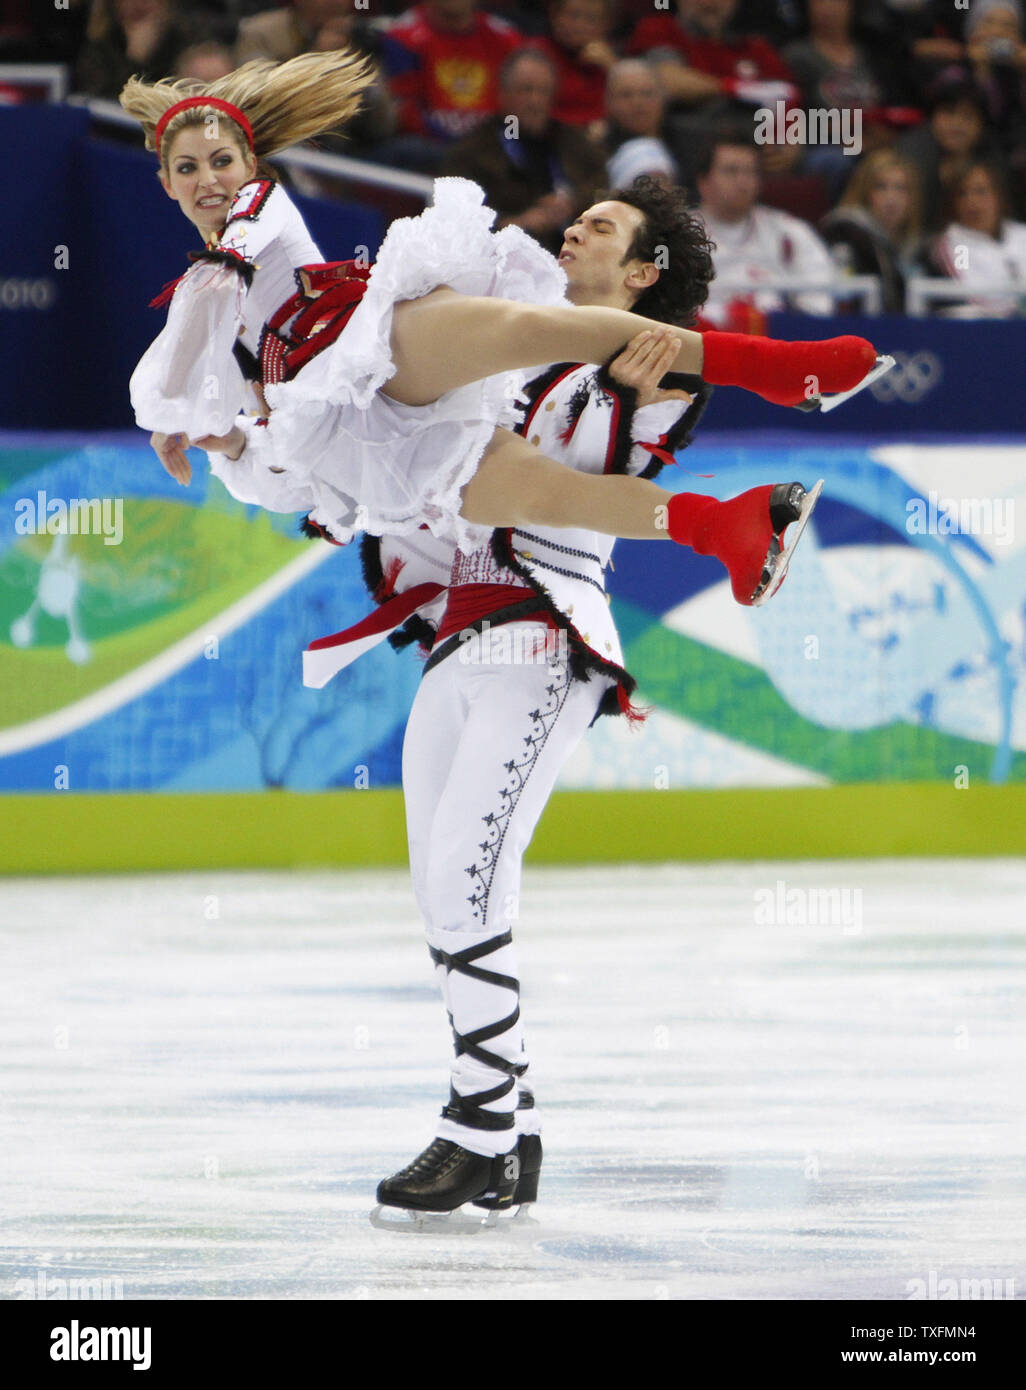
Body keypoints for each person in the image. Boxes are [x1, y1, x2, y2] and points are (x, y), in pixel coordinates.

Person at [122, 51, 878, 626]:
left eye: (221, 161)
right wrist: (219, 440)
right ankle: (724, 527)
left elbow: (209, 302)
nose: (208, 180)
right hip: (355, 437)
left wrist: (170, 414)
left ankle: (777, 368)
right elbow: (275, 466)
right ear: (163, 183)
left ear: (251, 164)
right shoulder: (209, 318)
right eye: (186, 168)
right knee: (550, 496)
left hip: (374, 344)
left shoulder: (257, 217)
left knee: (529, 328)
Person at [365, 179, 717, 1217]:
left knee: (473, 886)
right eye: (577, 218)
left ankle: (473, 1127)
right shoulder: (509, 353)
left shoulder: (654, 371)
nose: (574, 228)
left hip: (542, 636)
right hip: (455, 638)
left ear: (644, 275)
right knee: (442, 889)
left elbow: (617, 479)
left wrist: (621, 367)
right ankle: (512, 1133)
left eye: (602, 228)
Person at [439, 47, 608, 257]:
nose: (535, 101)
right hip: (500, 260)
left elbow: (602, 185)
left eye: (543, 91)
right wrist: (513, 224)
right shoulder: (471, 151)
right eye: (525, 90)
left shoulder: (573, 142)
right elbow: (455, 220)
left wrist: (570, 203)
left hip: (574, 254)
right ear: (503, 94)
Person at [694, 128, 839, 321]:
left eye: (750, 172)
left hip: (777, 339)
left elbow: (820, 294)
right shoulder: (677, 235)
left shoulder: (789, 232)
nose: (742, 181)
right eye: (731, 171)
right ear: (703, 182)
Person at [820, 149, 924, 312]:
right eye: (881, 187)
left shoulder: (918, 245)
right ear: (864, 191)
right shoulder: (845, 232)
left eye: (900, 188)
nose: (891, 198)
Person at [928, 158, 1026, 316]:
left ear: (998, 197)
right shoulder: (957, 246)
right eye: (963, 194)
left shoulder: (1021, 235)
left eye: (980, 191)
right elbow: (966, 291)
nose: (972, 201)